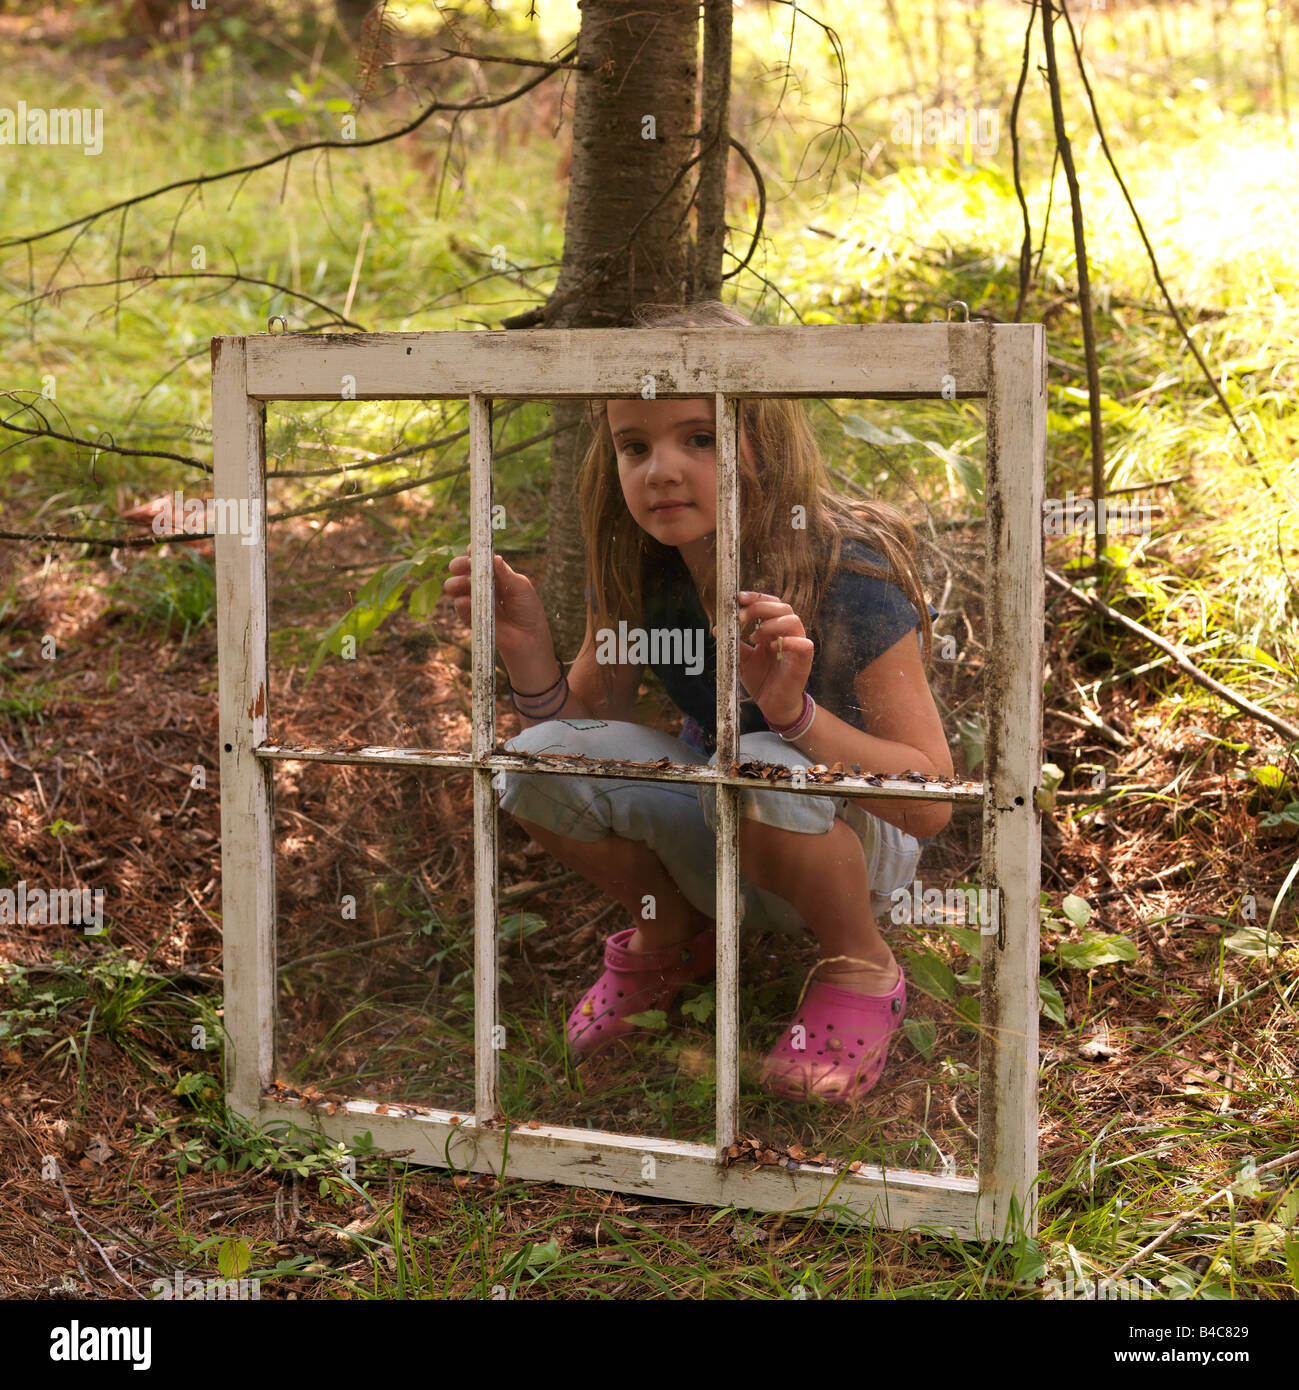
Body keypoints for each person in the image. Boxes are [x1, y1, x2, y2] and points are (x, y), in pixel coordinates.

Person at [441, 300, 952, 1105]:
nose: (661, 470)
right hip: (724, 812)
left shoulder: (846, 571)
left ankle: (857, 961)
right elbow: (571, 744)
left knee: (756, 764)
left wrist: (795, 716)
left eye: (699, 438)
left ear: (764, 446)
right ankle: (675, 933)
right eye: (633, 446)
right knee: (528, 766)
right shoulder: (649, 564)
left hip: (855, 832)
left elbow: (928, 803)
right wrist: (527, 652)